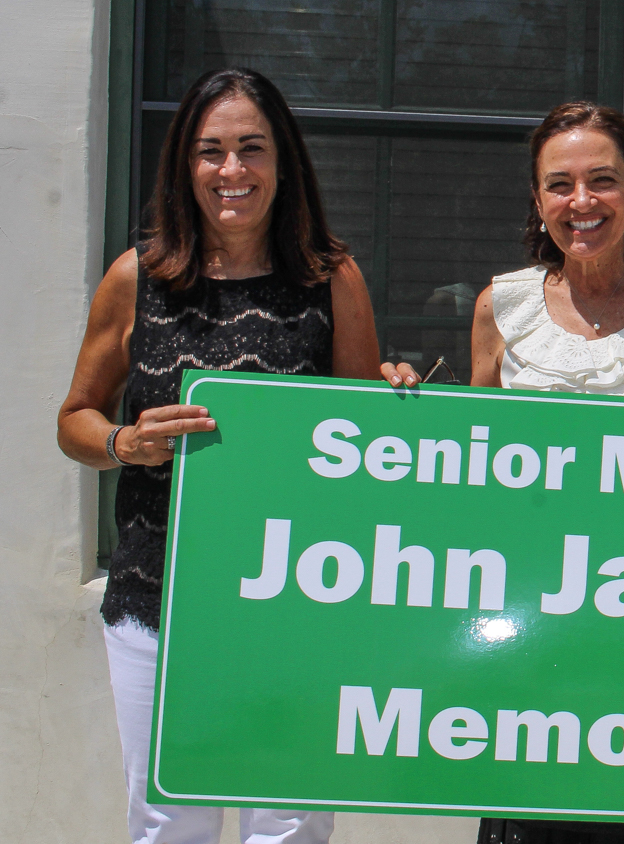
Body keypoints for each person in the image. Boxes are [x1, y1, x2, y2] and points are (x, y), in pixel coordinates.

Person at [385, 100, 624, 844]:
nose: (582, 201)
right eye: (559, 184)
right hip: (529, 638)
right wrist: (410, 419)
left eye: (602, 180)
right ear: (538, 200)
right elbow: (473, 472)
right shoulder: (499, 308)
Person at [56, 68, 384, 843]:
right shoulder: (135, 279)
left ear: (284, 161)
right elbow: (74, 420)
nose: (231, 170)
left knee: (288, 823)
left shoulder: (332, 279)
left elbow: (369, 441)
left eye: (251, 148)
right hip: (158, 599)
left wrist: (397, 395)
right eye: (211, 150)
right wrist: (124, 443)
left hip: (301, 597)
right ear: (185, 163)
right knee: (168, 824)